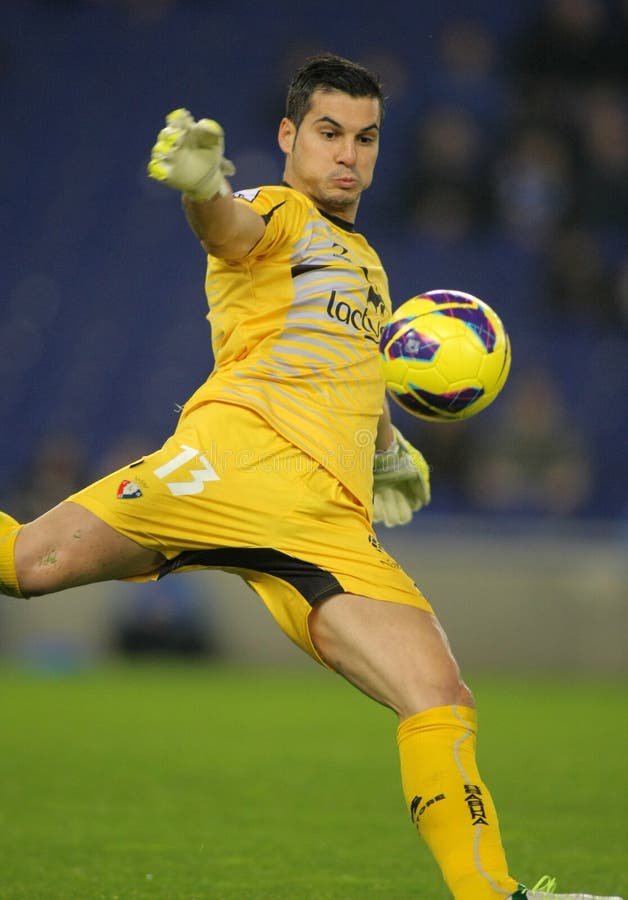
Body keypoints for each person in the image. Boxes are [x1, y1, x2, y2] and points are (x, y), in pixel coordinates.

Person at [0, 53, 621, 900]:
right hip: (230, 467)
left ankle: (492, 896)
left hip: (326, 522)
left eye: (366, 138)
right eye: (329, 133)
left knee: (439, 694)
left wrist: (389, 453)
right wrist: (200, 187)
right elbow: (230, 228)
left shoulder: (370, 270)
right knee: (27, 566)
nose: (349, 155)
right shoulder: (281, 211)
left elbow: (352, 375)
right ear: (290, 136)